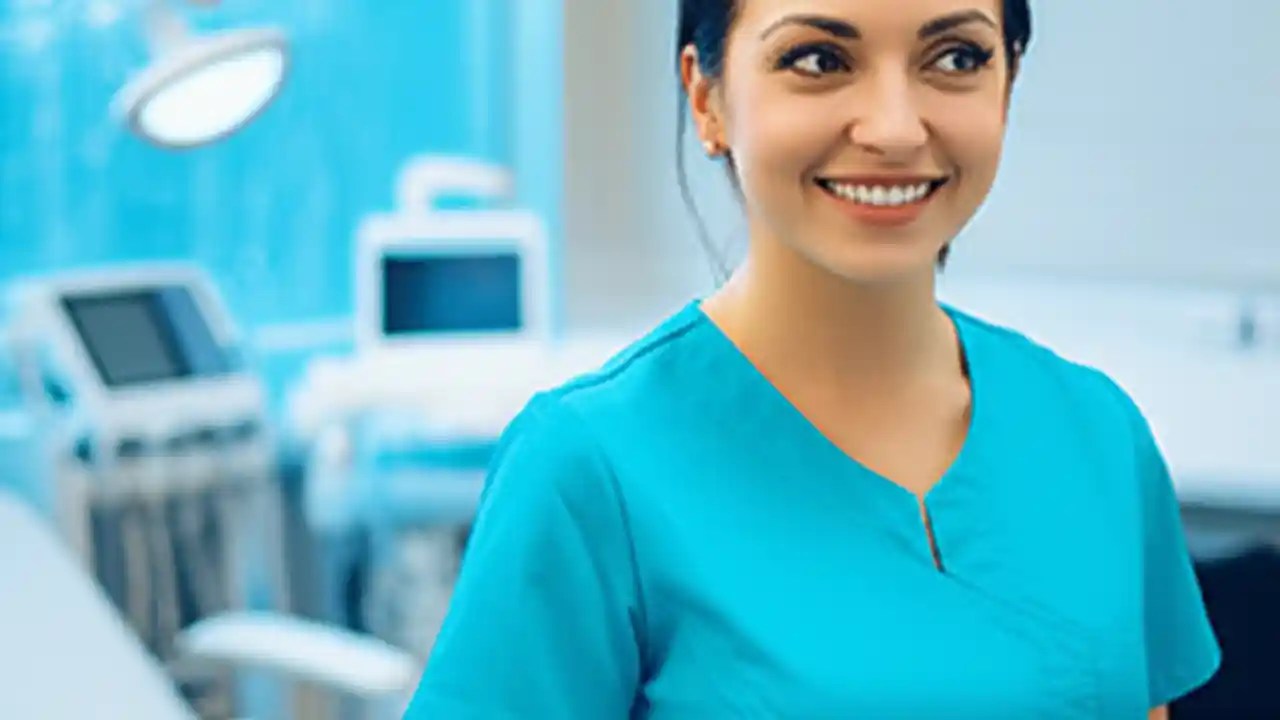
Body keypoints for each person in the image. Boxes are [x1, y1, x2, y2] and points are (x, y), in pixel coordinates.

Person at [403, 0, 1221, 717]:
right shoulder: (588, 469)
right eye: (819, 60)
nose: (896, 128)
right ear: (705, 96)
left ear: (1008, 80)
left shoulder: (1097, 436)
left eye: (957, 58)